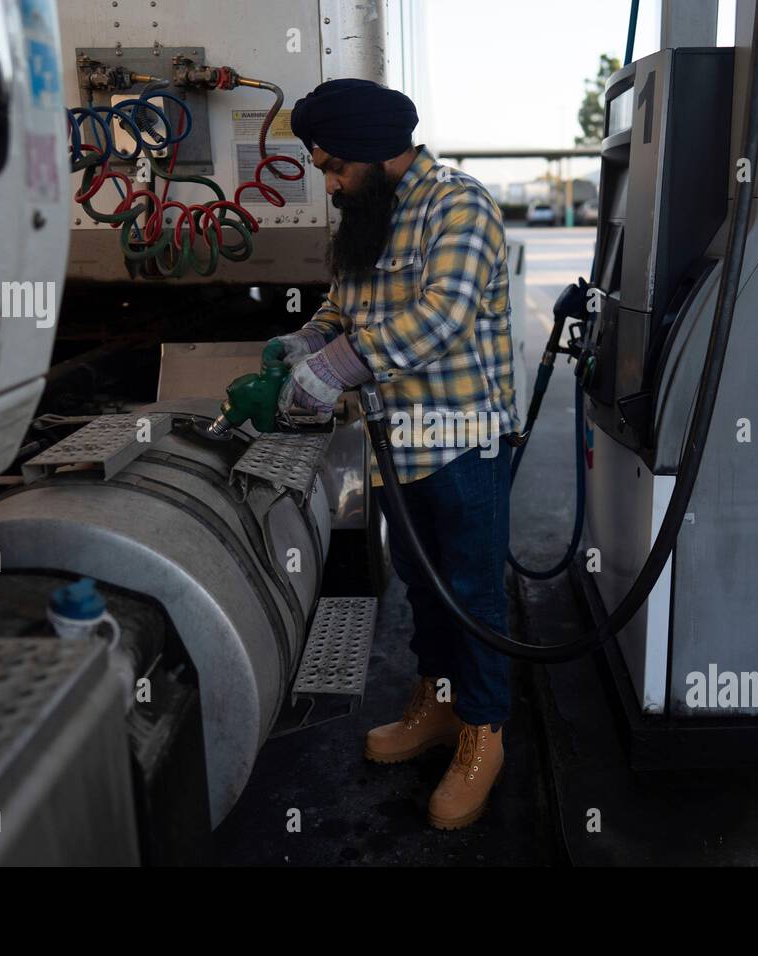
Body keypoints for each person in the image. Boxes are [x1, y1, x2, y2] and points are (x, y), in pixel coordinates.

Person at [264, 78, 520, 830]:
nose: (331, 181)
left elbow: (443, 316)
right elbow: (342, 306)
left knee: (472, 592)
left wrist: (337, 368)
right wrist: (305, 342)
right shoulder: (364, 216)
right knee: (423, 586)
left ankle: (484, 731)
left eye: (335, 166)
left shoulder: (458, 205)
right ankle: (438, 707)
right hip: (395, 444)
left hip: (463, 442)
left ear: (378, 154)